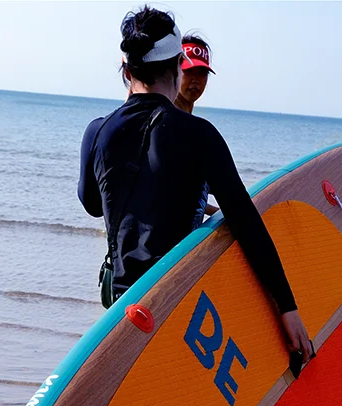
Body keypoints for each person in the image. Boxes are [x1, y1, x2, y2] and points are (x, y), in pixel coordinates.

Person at [78, 6, 311, 364]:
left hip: (122, 309)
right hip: (180, 304)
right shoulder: (198, 134)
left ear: (126, 72)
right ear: (176, 67)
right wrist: (288, 307)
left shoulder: (97, 131)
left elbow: (93, 203)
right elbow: (246, 223)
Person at [174, 34, 219, 218]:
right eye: (188, 71)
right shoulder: (165, 126)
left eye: (202, 72)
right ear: (174, 70)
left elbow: (190, 189)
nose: (195, 79)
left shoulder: (196, 130)